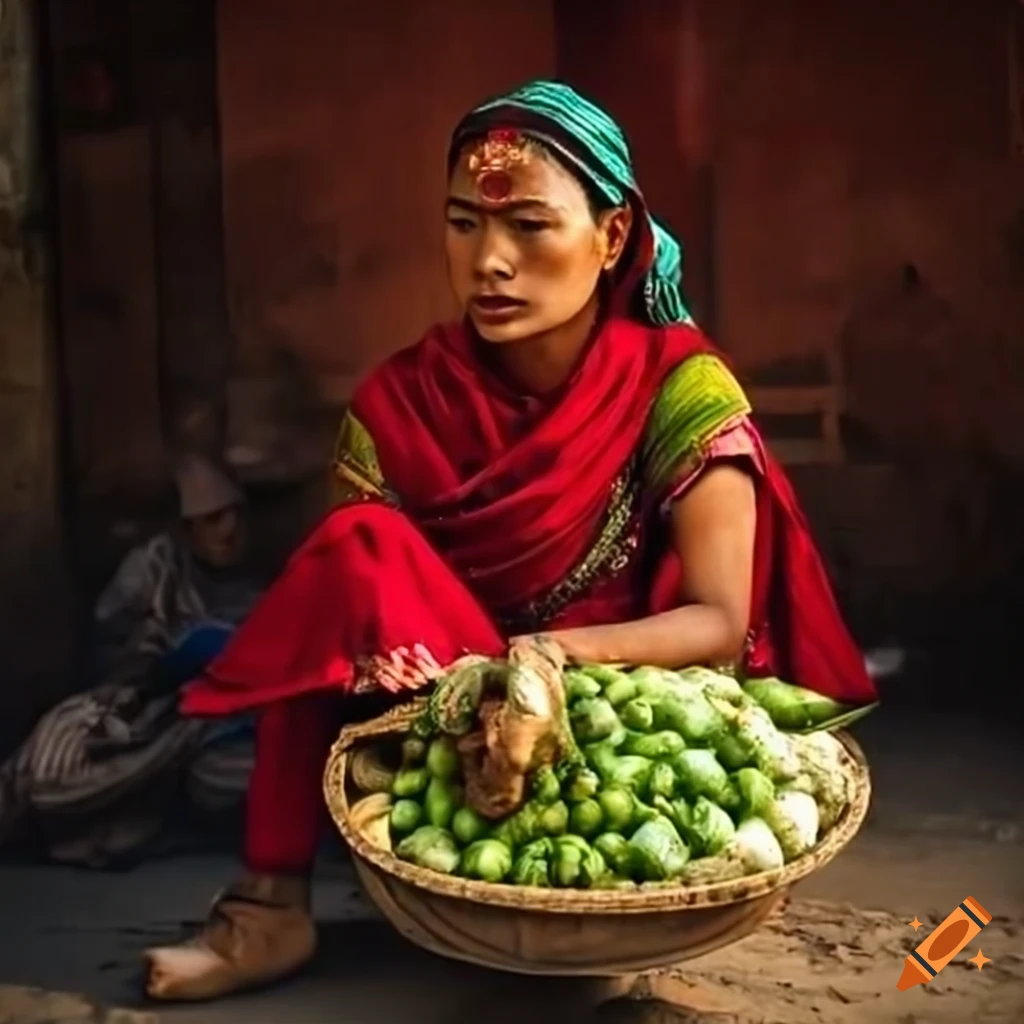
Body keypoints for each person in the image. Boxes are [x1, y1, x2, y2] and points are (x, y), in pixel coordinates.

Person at [144, 81, 878, 1001]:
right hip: (452, 701)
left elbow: (721, 621)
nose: (490, 261)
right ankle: (268, 908)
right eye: (463, 225)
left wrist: (545, 661)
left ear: (611, 239)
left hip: (621, 709)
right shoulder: (401, 404)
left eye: (529, 226)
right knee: (356, 545)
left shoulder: (679, 388)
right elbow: (358, 607)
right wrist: (475, 682)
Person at [0, 455, 266, 866]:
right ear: (189, 528)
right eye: (214, 519)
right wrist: (160, 659)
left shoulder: (256, 590)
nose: (228, 530)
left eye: (236, 517)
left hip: (213, 727)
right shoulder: (151, 571)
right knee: (57, 767)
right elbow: (111, 659)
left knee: (236, 776)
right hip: (139, 709)